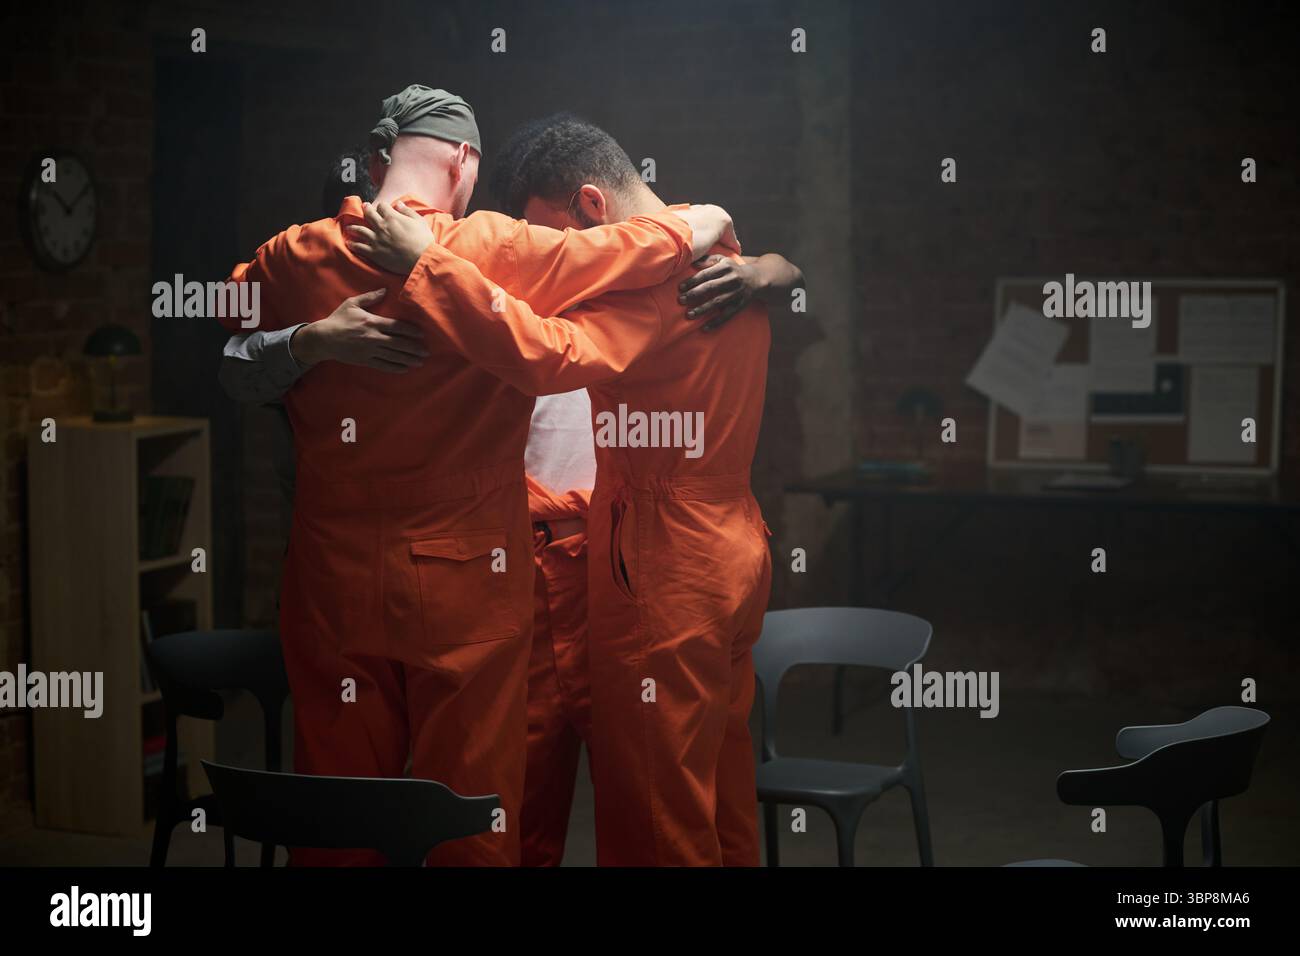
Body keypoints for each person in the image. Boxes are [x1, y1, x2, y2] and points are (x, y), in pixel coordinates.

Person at [217, 85, 736, 866]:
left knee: (336, 804)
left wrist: (309, 338)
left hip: (331, 578)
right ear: (462, 160)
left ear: (376, 161)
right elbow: (622, 250)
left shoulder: (291, 254)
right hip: (465, 579)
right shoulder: (495, 249)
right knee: (469, 813)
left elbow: (228, 322)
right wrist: (705, 221)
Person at [337, 113, 802, 865]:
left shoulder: (655, 291)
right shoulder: (722, 254)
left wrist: (428, 265)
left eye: (559, 241)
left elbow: (545, 356)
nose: (564, 266)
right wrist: (775, 267)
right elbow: (773, 264)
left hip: (663, 558)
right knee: (720, 780)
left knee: (660, 808)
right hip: (735, 543)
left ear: (591, 205)